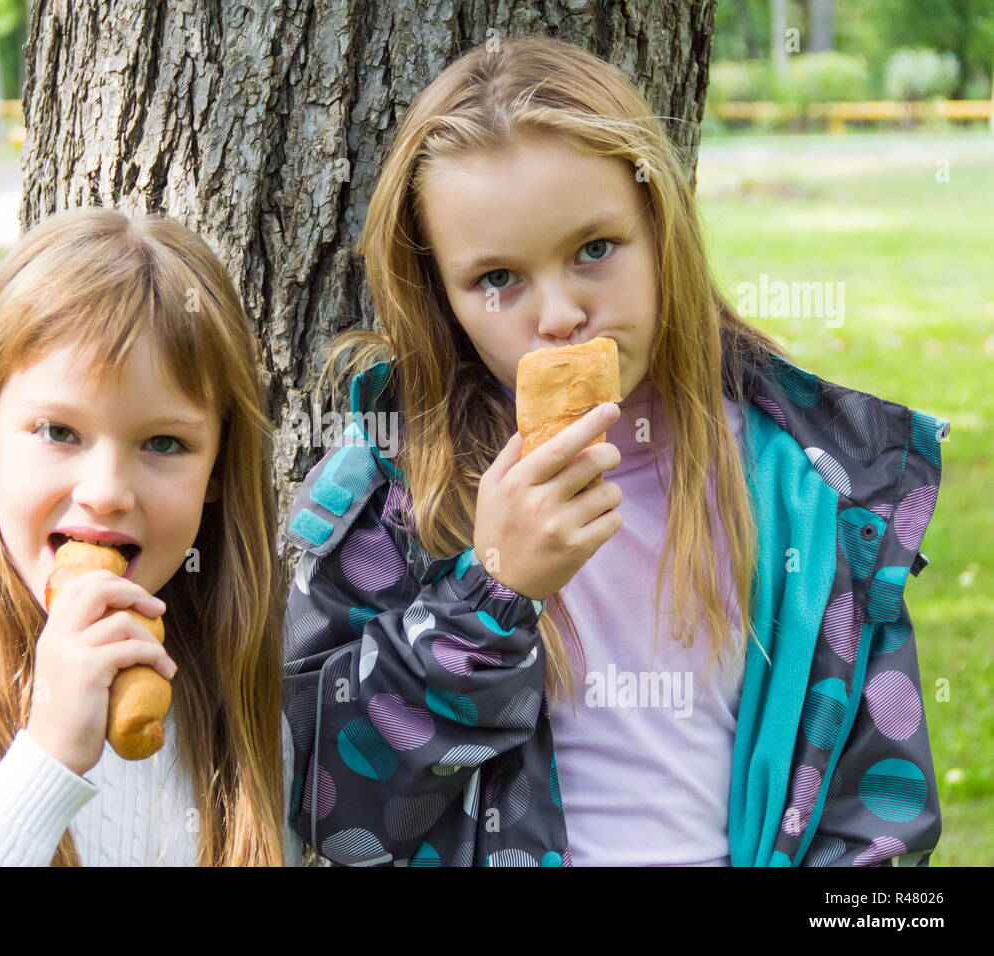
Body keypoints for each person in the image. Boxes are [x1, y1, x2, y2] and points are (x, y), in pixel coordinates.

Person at [281, 36, 945, 867]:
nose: (558, 316)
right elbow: (332, 812)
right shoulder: (395, 493)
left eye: (594, 250)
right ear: (441, 299)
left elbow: (882, 817)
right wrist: (491, 592)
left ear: (662, 232)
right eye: (497, 279)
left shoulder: (813, 491)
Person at [0, 207, 298, 866]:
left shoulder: (243, 715)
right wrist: (47, 761)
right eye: (58, 431)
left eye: (164, 442)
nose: (106, 491)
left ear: (216, 470)